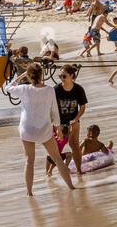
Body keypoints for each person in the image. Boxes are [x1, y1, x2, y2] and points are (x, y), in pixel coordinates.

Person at [10, 62, 75, 195]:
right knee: (57, 158)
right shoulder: (50, 90)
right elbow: (55, 111)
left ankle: (29, 193)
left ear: (29, 76)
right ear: (42, 75)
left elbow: (8, 87)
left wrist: (21, 75)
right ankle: (71, 187)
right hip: (44, 129)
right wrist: (58, 128)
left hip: (27, 129)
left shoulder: (24, 89)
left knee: (29, 161)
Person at [54, 64, 89, 174]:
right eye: (60, 76)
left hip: (74, 121)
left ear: (71, 76)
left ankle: (79, 170)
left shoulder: (78, 89)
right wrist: (56, 125)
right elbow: (51, 108)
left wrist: (76, 119)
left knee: (74, 144)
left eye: (64, 76)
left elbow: (82, 107)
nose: (62, 78)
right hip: (59, 122)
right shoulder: (56, 89)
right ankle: (49, 172)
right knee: (55, 147)